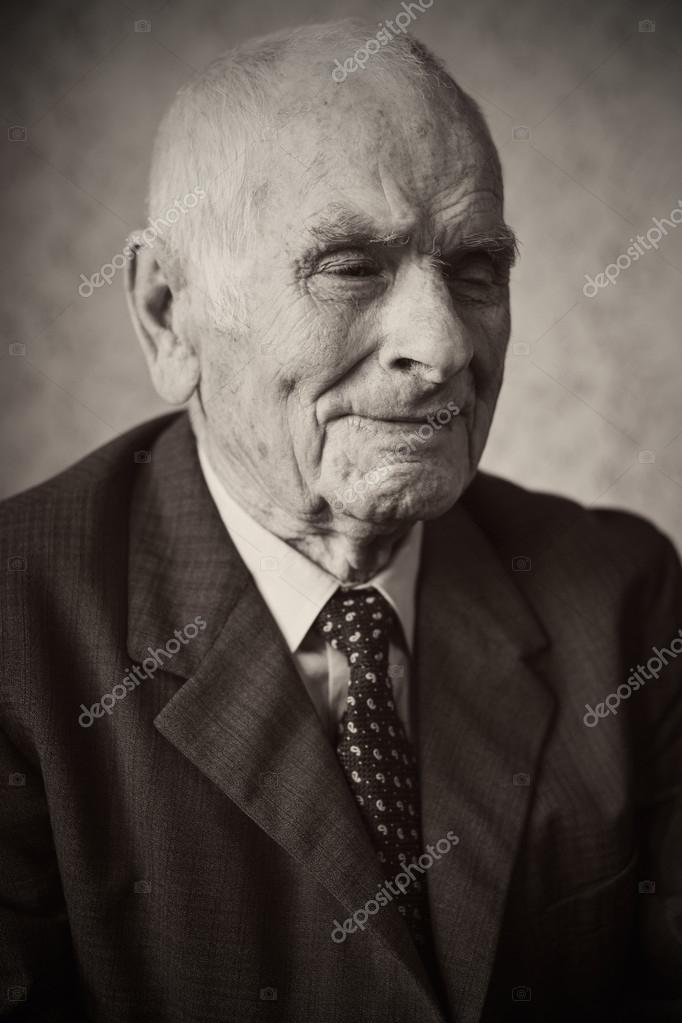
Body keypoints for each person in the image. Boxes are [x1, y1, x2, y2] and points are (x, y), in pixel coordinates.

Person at [1, 19, 680, 1023]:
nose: (443, 347)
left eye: (476, 268)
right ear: (165, 312)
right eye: (351, 266)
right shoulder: (17, 633)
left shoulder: (621, 595)